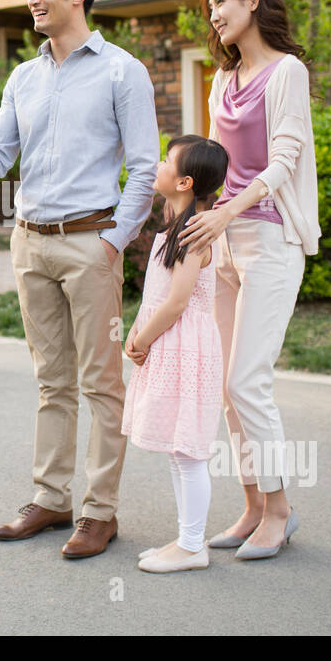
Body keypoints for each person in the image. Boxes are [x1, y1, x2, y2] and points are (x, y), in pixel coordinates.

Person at [0, 0, 159, 559]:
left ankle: (100, 511)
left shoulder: (122, 72)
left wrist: (114, 242)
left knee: (101, 383)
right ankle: (51, 498)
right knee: (50, 380)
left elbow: (145, 168)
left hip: (91, 242)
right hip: (29, 241)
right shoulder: (23, 77)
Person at [175, 0, 321, 561]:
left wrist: (229, 213)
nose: (213, 15)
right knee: (227, 390)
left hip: (271, 241)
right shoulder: (224, 80)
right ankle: (254, 506)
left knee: (246, 380)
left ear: (252, 1)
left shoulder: (289, 73)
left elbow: (284, 160)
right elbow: (214, 163)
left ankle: (281, 511)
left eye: (220, 3)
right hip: (226, 243)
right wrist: (198, 221)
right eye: (209, 8)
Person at [122, 135, 229, 573]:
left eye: (166, 161)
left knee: (188, 452)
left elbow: (177, 302)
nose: (158, 165)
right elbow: (157, 294)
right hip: (171, 345)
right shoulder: (176, 226)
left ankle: (192, 545)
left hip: (184, 350)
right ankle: (186, 539)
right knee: (176, 449)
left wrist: (143, 338)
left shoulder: (194, 233)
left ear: (184, 181)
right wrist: (137, 328)